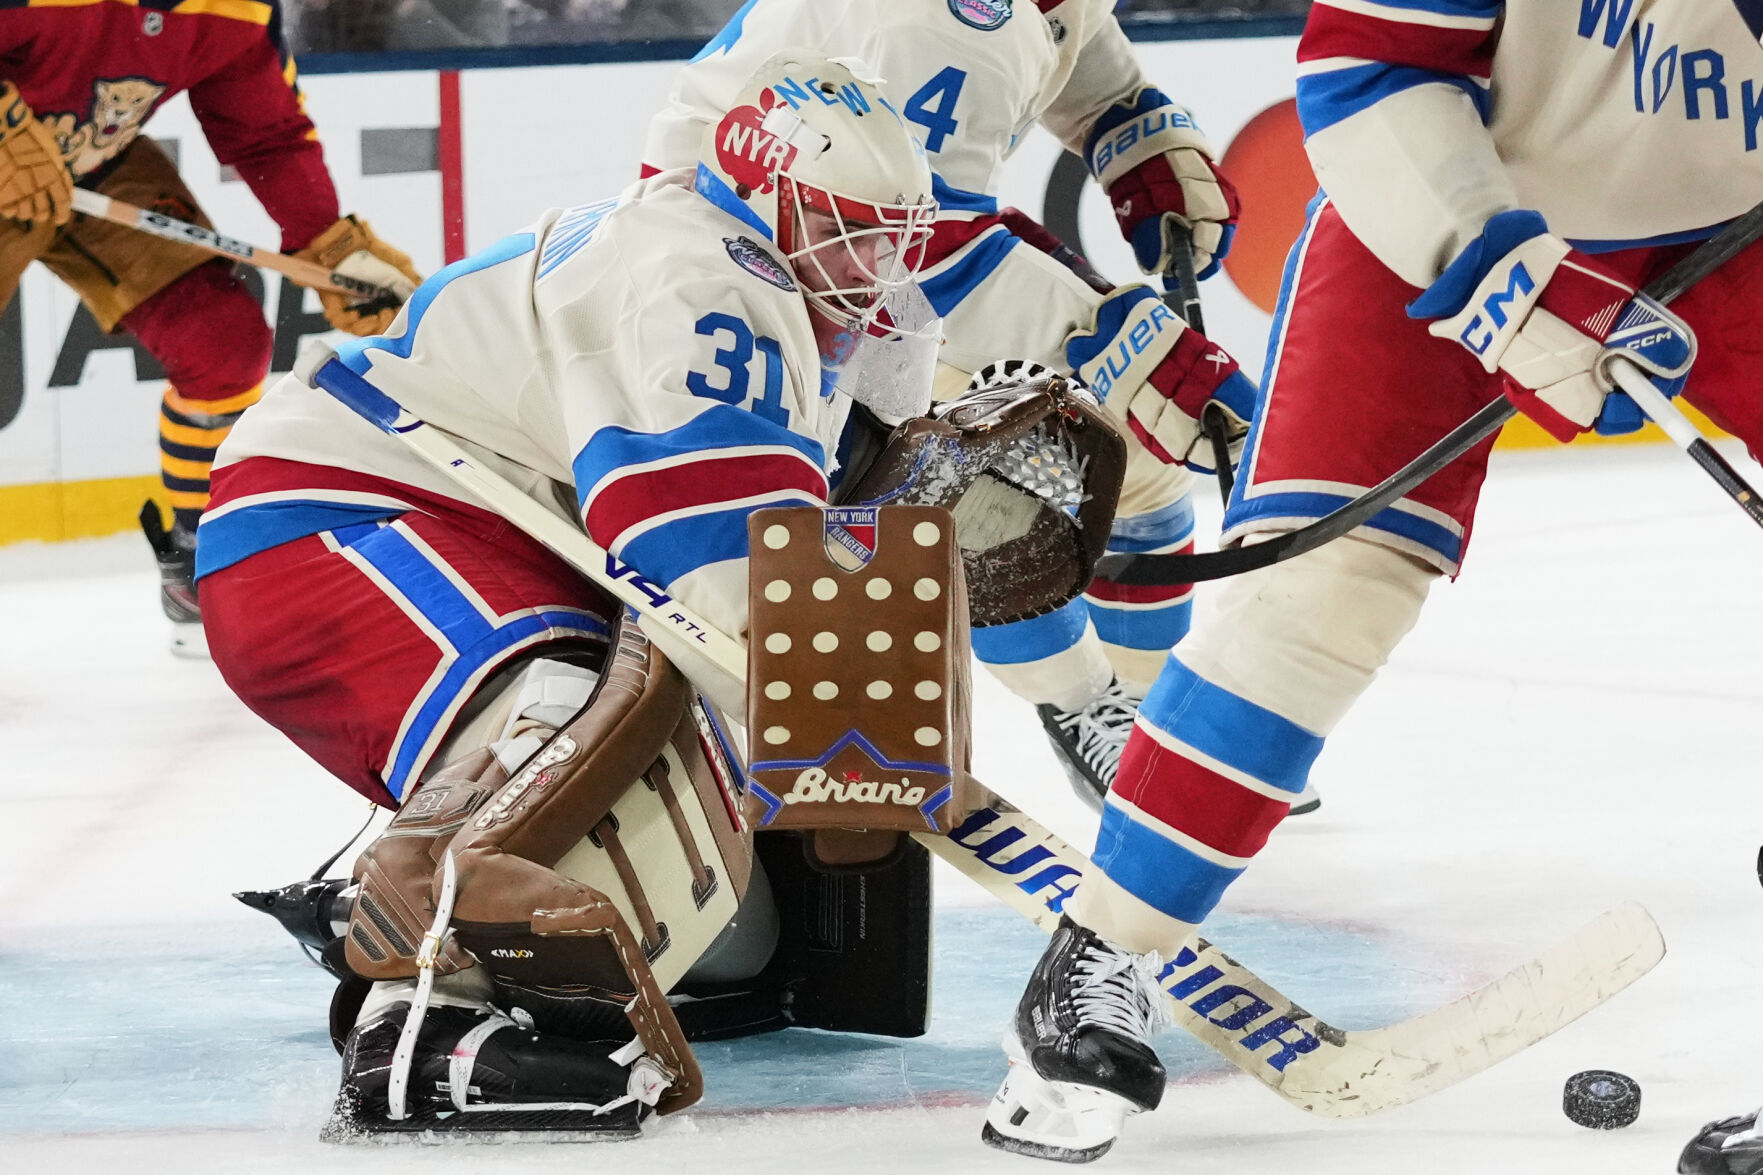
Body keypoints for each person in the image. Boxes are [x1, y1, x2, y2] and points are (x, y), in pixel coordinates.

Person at [983, 0, 1763, 1160]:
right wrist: (1499, 276)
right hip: (1452, 196)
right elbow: (1369, 67)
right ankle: (1105, 948)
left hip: (1739, 230)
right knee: (1319, 600)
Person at [195, 50, 946, 1137]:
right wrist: (875, 739)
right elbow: (713, 585)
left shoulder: (763, 270)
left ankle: (408, 891)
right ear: (767, 195)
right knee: (573, 692)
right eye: (845, 227)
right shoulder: (707, 281)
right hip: (327, 518)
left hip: (465, 536)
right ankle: (418, 1021)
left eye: (890, 233)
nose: (873, 262)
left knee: (734, 941)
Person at [644, 0, 1257, 805]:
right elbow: (921, 249)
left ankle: (1158, 723)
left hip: (844, 260)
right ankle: (1083, 708)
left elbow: (1073, 52)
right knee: (957, 492)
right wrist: (1125, 342)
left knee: (1137, 470)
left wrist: (1135, 132)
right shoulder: (945, 21)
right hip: (763, 285)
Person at [0, 0, 420, 655]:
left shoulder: (239, 10)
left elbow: (267, 134)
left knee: (220, 342)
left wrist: (325, 240)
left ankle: (198, 561)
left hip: (88, 163)